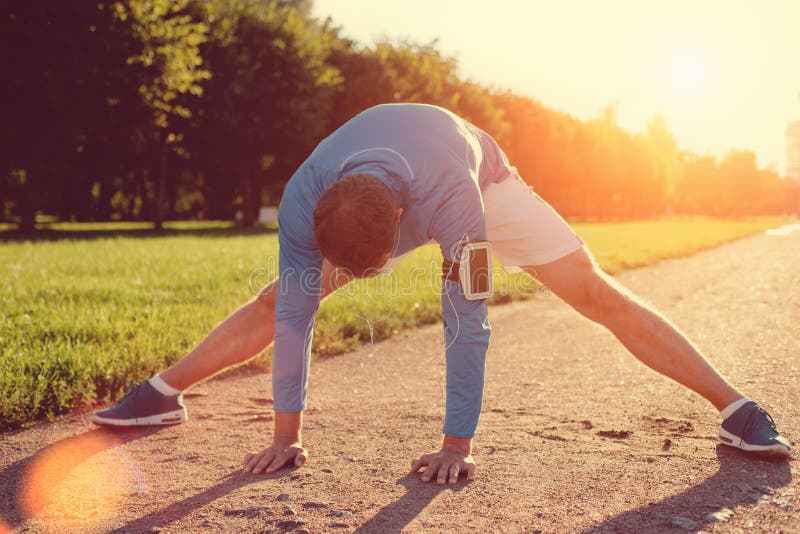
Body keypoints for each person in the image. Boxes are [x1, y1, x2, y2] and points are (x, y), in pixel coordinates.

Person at [93, 103, 791, 484]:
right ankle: (162, 392)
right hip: (376, 192)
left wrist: (457, 445)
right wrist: (287, 436)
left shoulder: (459, 207)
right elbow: (300, 314)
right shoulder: (307, 195)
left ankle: (736, 406)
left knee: (594, 292)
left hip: (487, 182)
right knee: (280, 299)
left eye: (379, 264)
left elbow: (468, 319)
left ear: (400, 228)